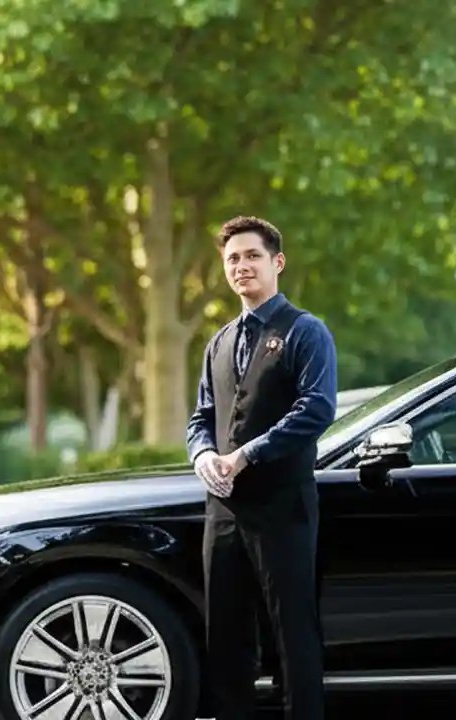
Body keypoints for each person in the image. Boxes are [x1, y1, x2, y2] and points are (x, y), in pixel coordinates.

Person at [186, 215, 338, 720]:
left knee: (292, 636)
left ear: (277, 263)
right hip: (223, 511)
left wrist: (248, 453)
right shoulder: (219, 342)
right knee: (226, 638)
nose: (241, 266)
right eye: (233, 258)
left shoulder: (305, 332)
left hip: (283, 505)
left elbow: (317, 408)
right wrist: (203, 454)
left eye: (252, 256)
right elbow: (201, 417)